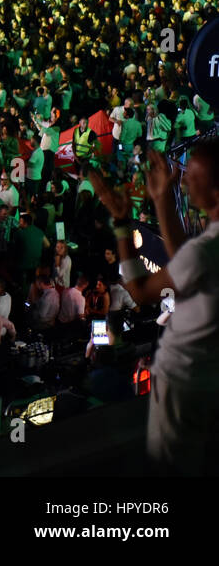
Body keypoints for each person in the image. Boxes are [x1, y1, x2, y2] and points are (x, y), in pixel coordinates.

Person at [91, 147, 219, 475]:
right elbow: (182, 259)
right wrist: (162, 199)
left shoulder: (205, 252)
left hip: (181, 385)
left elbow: (141, 291)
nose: (185, 178)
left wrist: (121, 223)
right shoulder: (205, 249)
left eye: (193, 173)